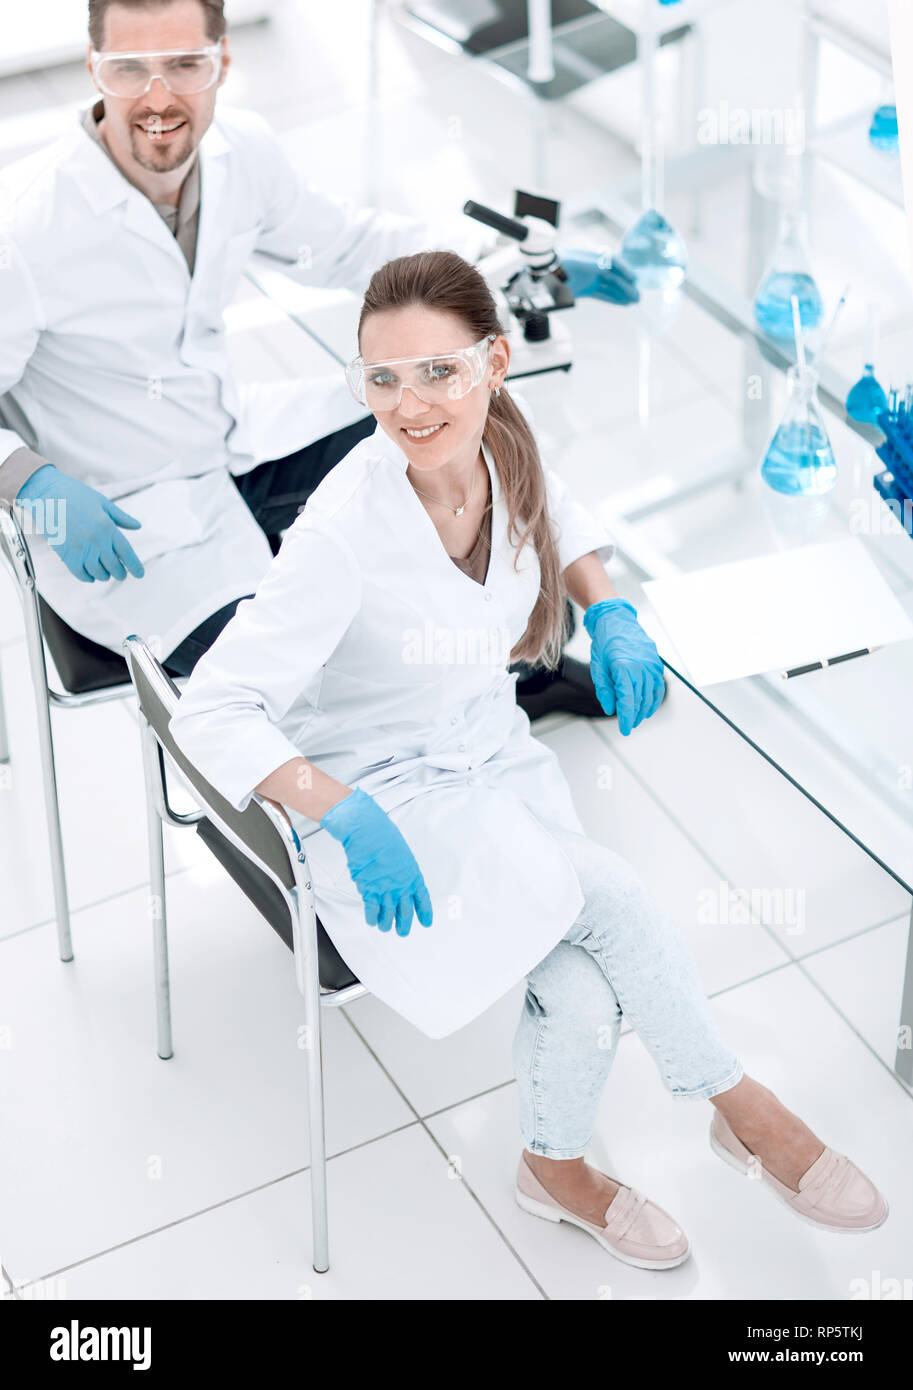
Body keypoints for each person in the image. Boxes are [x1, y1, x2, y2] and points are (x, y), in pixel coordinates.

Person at [168, 250, 887, 1267]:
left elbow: (562, 514)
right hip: (386, 804)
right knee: (614, 897)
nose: (410, 407)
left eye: (438, 373)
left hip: (488, 757)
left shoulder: (505, 437)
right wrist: (337, 807)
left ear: (494, 363)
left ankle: (550, 1167)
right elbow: (214, 708)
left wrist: (612, 606)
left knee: (585, 981)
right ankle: (742, 1104)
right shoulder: (342, 532)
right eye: (380, 379)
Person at [0, 0, 638, 720]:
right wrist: (31, 481)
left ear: (222, 64)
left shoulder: (241, 155)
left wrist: (520, 266)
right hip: (130, 526)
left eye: (185, 65)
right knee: (327, 690)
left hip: (234, 445)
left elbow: (352, 248)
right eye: (128, 70)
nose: (157, 98)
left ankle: (519, 664)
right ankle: (459, 698)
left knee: (455, 418)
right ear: (94, 71)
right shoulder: (26, 225)